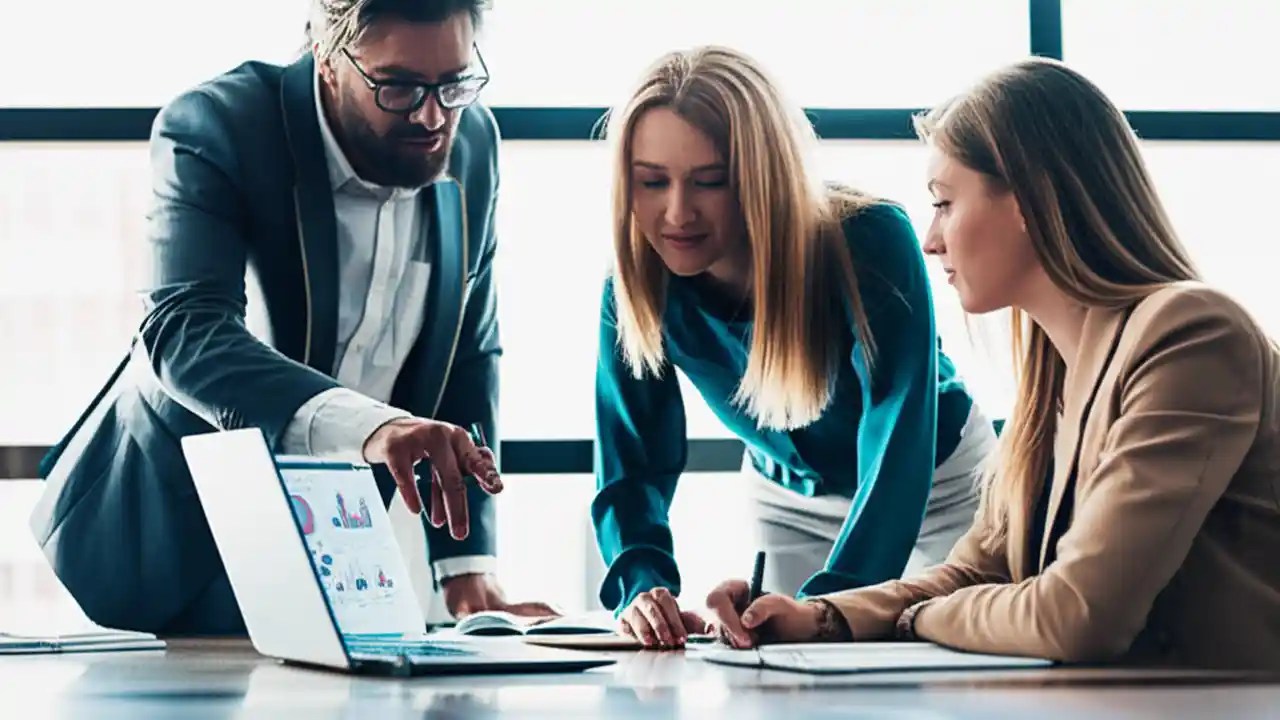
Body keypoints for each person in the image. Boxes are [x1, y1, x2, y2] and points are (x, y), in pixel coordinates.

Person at [703, 57, 1280, 671]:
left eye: (945, 203)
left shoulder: (1190, 335)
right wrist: (818, 616)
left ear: (1030, 199)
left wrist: (917, 618)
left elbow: (1077, 616)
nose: (931, 240)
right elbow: (976, 570)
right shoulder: (1050, 381)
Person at [30, 0, 554, 635]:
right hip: (168, 547)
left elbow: (468, 348)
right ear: (327, 58)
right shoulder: (219, 125)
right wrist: (373, 427)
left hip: (339, 566)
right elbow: (185, 329)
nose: (432, 116)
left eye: (455, 83)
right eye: (398, 87)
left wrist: (468, 571)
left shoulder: (473, 144)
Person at [592, 46, 996, 648]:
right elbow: (632, 462)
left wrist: (834, 604)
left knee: (945, 668)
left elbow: (897, 430)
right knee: (786, 677)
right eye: (652, 182)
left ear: (762, 176)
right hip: (786, 499)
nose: (677, 213)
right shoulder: (633, 285)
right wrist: (642, 587)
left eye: (710, 181)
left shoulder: (870, 238)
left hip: (937, 487)